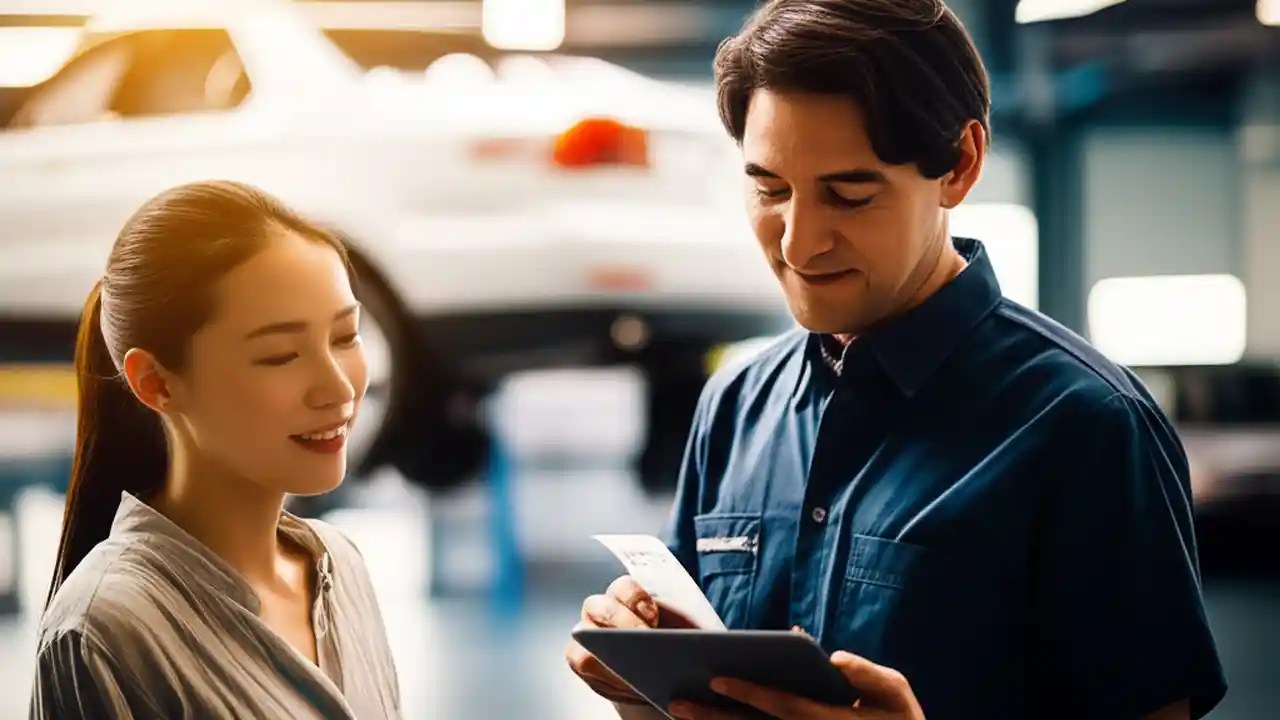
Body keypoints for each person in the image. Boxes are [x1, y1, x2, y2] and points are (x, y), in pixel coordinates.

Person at [566, 1, 1227, 718]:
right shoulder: (735, 406)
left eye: (849, 196)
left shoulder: (1090, 427)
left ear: (961, 165)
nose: (797, 244)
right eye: (769, 190)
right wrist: (642, 684)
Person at [30, 181, 401, 719]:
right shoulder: (106, 629)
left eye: (346, 337)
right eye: (280, 355)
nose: (339, 389)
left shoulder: (340, 566)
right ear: (156, 382)